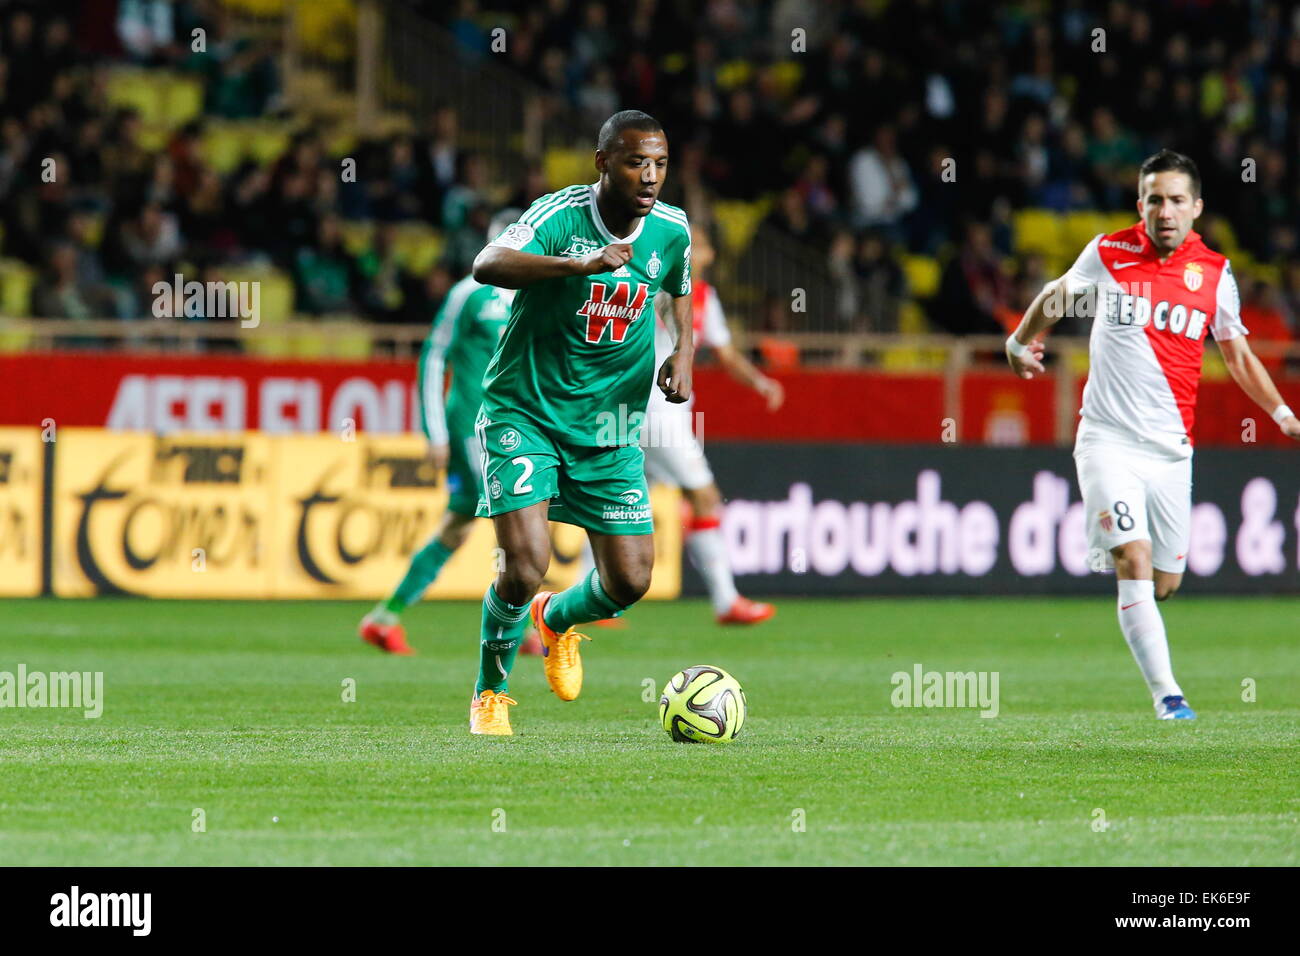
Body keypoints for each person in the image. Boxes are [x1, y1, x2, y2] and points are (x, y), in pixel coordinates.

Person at [1006, 149, 1300, 720]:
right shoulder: (1108, 253)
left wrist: (1282, 413)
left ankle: (1145, 613)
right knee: (1132, 559)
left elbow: (1236, 352)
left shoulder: (1215, 273)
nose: (1165, 211)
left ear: (1196, 208)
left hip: (1171, 454)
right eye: (1154, 200)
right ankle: (1170, 697)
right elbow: (1056, 295)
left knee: (1165, 582)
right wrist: (1019, 342)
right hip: (1107, 440)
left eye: (1176, 200)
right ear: (1140, 205)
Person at [464, 110, 694, 735]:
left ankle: (556, 619)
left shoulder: (671, 229)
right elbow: (488, 264)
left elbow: (678, 290)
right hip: (526, 410)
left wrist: (683, 353)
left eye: (660, 164)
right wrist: (577, 267)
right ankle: (490, 693)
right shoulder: (559, 216)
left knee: (631, 579)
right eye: (634, 162)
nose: (649, 177)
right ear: (602, 164)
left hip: (610, 427)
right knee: (525, 563)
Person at [359, 208, 540, 659]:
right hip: (472, 427)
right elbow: (434, 358)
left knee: (458, 525)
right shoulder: (470, 293)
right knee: (519, 519)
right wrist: (434, 432)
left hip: (517, 427)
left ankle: (384, 618)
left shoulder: (536, 293)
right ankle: (523, 631)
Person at [580, 224, 783, 625]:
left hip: (653, 414)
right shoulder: (660, 286)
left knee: (614, 503)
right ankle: (726, 601)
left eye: (704, 245)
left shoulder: (705, 297)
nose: (704, 252)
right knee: (705, 496)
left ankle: (591, 596)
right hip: (656, 412)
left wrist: (760, 382)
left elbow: (724, 355)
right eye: (699, 246)